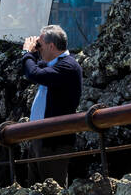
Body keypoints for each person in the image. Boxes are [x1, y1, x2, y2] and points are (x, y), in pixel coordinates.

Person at [19, 24, 83, 185]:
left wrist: (27, 52)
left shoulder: (68, 66)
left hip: (54, 140)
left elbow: (34, 74)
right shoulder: (52, 64)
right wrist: (30, 54)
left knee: (53, 190)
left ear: (51, 46)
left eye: (40, 44)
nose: (38, 48)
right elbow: (29, 69)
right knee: (35, 192)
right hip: (39, 138)